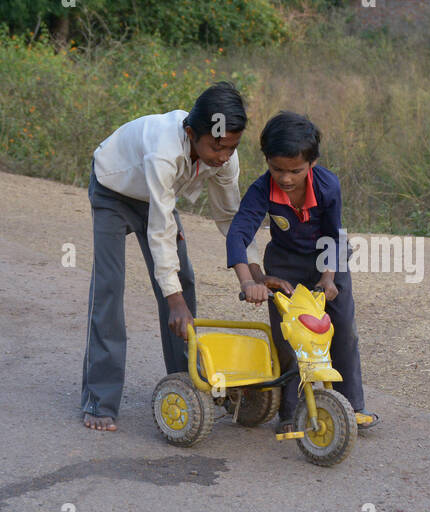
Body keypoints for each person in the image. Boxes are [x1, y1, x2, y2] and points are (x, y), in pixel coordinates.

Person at [81, 82, 265, 431]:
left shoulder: (224, 154)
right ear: (192, 132)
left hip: (157, 197)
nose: (224, 155)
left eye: (232, 147)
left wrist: (254, 271)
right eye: (217, 146)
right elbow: (160, 227)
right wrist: (173, 301)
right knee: (109, 288)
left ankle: (186, 384)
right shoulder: (164, 149)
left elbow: (231, 217)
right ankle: (98, 400)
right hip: (113, 190)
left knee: (184, 282)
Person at [225, 111, 378, 432]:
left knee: (340, 331)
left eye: (295, 170)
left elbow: (334, 235)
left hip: (328, 260)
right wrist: (249, 280)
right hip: (284, 264)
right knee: (289, 338)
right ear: (266, 160)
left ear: (312, 164)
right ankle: (291, 413)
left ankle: (351, 407)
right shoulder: (261, 190)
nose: (286, 178)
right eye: (277, 169)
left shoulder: (327, 186)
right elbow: (239, 232)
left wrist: (328, 279)